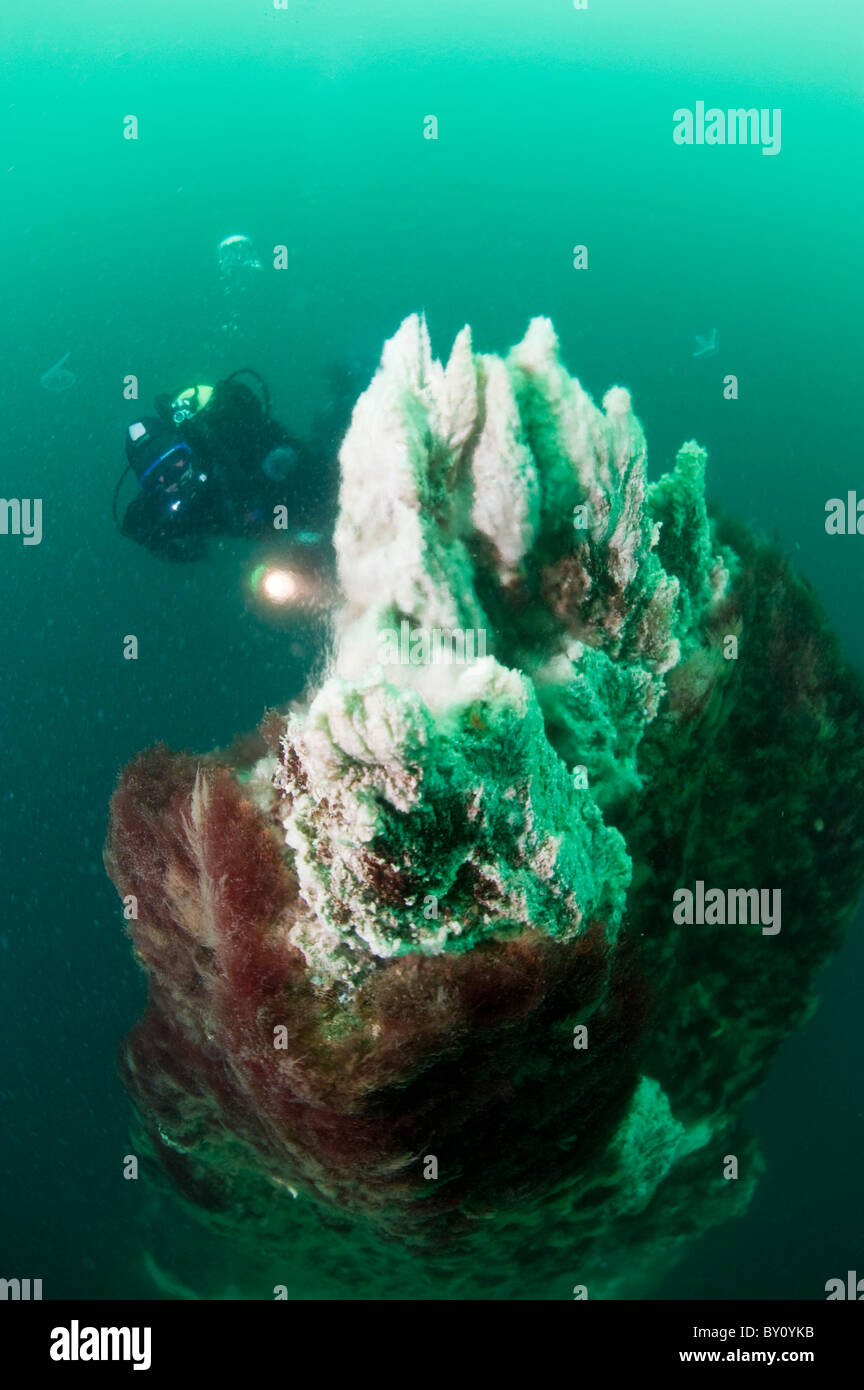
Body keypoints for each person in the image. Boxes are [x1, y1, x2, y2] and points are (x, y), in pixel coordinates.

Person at [115, 370, 313, 560]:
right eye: (154, 477)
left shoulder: (232, 449)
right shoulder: (155, 508)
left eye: (175, 461)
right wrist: (184, 554)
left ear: (189, 449)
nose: (169, 478)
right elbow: (136, 530)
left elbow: (305, 474)